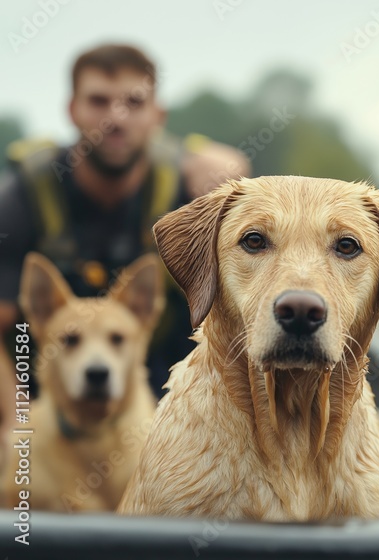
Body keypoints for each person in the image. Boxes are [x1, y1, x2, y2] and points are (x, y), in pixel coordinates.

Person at [0, 44, 250, 437]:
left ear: (158, 116)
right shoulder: (23, 197)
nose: (116, 119)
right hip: (45, 403)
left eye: (134, 103)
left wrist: (234, 184)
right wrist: (17, 417)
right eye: (98, 101)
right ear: (72, 110)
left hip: (167, 398)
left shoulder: (193, 192)